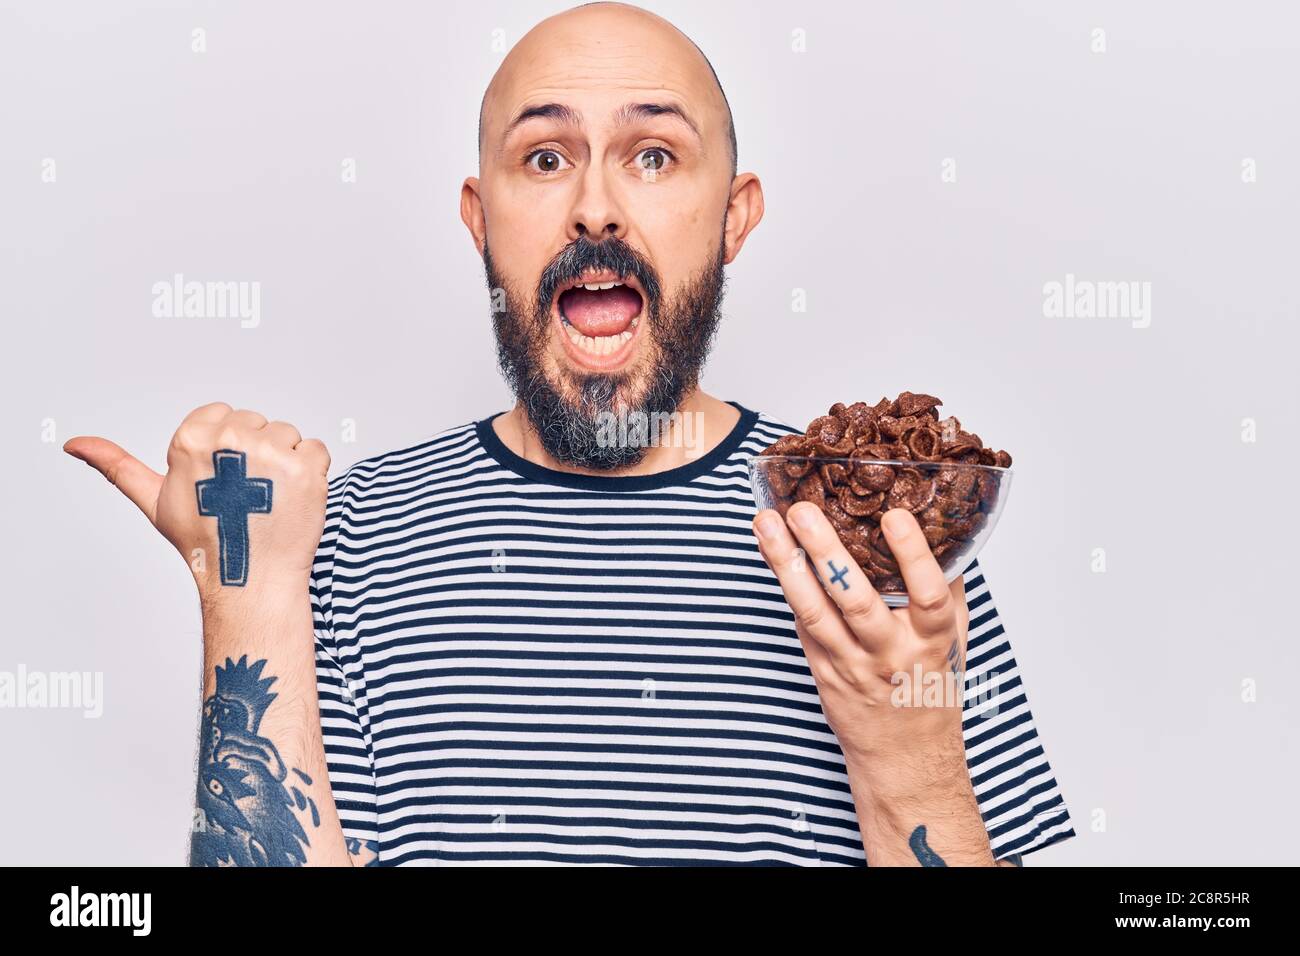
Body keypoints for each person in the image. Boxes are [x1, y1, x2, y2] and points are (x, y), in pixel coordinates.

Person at [65, 2, 1073, 866]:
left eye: (654, 155)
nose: (596, 205)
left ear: (733, 215)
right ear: (480, 217)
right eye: (543, 158)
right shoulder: (337, 535)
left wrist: (909, 753)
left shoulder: (872, 531)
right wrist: (243, 595)